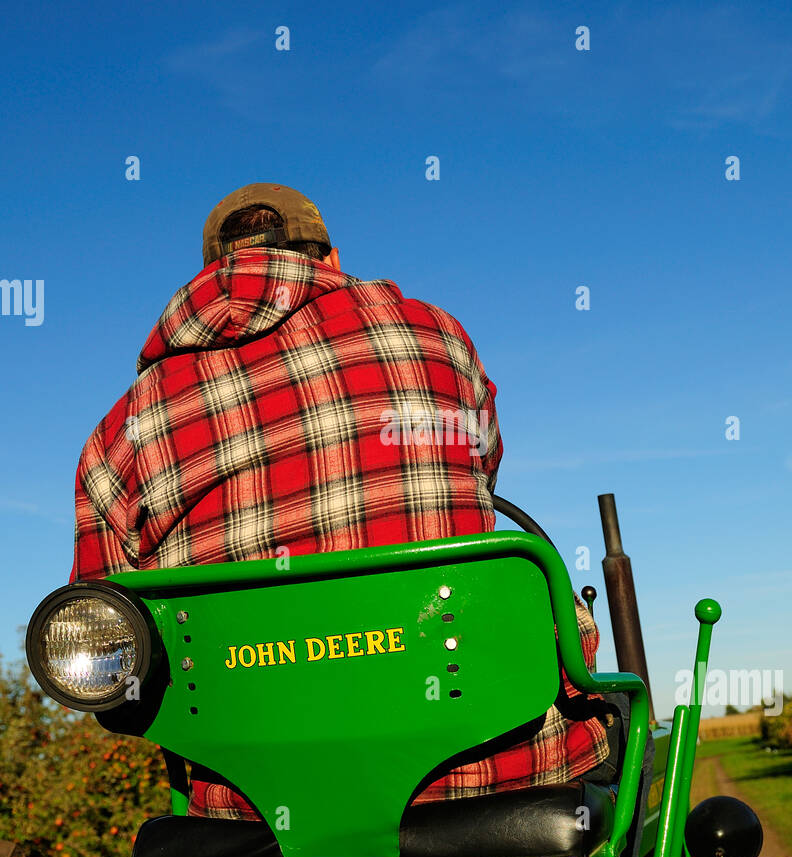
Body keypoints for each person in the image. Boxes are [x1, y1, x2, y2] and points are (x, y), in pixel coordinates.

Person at [70, 182, 619, 823]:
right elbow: (484, 470)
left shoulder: (121, 430)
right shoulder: (435, 336)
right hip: (511, 772)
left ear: (212, 279)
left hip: (252, 814)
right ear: (329, 260)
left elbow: (108, 662)